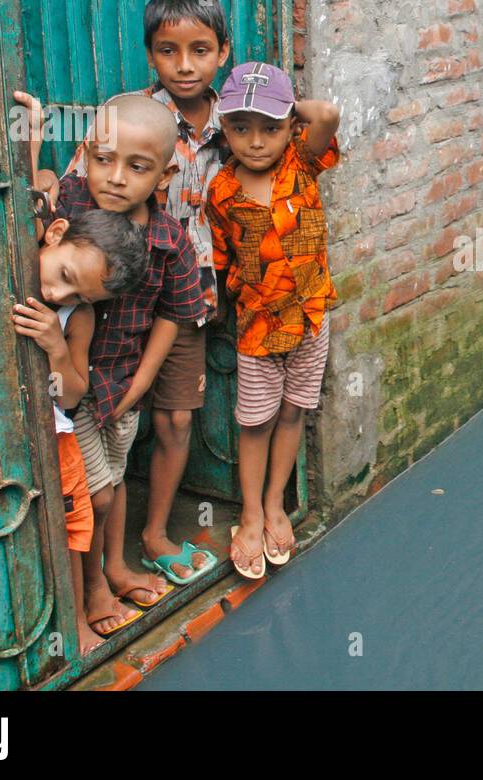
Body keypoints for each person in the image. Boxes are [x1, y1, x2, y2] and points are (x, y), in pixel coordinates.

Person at [62, 0, 230, 584]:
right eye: (167, 50)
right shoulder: (127, 113)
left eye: (199, 50)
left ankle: (156, 533)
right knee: (98, 424)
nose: (183, 65)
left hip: (182, 297)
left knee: (173, 420)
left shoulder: (233, 122)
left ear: (223, 52)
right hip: (104, 299)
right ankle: (98, 558)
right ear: (150, 54)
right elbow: (72, 189)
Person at [34, 90, 209, 634]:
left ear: (163, 174)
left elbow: (174, 315)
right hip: (72, 390)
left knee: (115, 480)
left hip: (121, 383)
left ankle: (114, 567)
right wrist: (31, 150)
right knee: (95, 494)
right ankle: (90, 590)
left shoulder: (169, 240)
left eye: (136, 167)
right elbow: (21, 198)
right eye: (103, 159)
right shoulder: (65, 208)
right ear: (85, 153)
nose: (114, 177)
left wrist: (140, 386)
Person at [205, 62, 340, 579]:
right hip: (258, 330)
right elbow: (219, 263)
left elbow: (326, 114)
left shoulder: (301, 165)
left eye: (270, 128)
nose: (256, 142)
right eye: (240, 128)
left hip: (309, 320)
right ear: (224, 129)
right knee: (255, 421)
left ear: (290, 128)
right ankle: (251, 514)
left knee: (291, 414)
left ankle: (278, 505)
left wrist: (285, 107)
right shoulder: (220, 192)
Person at [12, 208, 148, 654]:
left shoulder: (76, 318)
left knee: (75, 520)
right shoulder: (10, 265)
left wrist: (55, 346)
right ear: (54, 234)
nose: (57, 291)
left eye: (77, 293)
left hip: (56, 431)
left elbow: (71, 395)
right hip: (7, 432)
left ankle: (71, 619)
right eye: (63, 273)